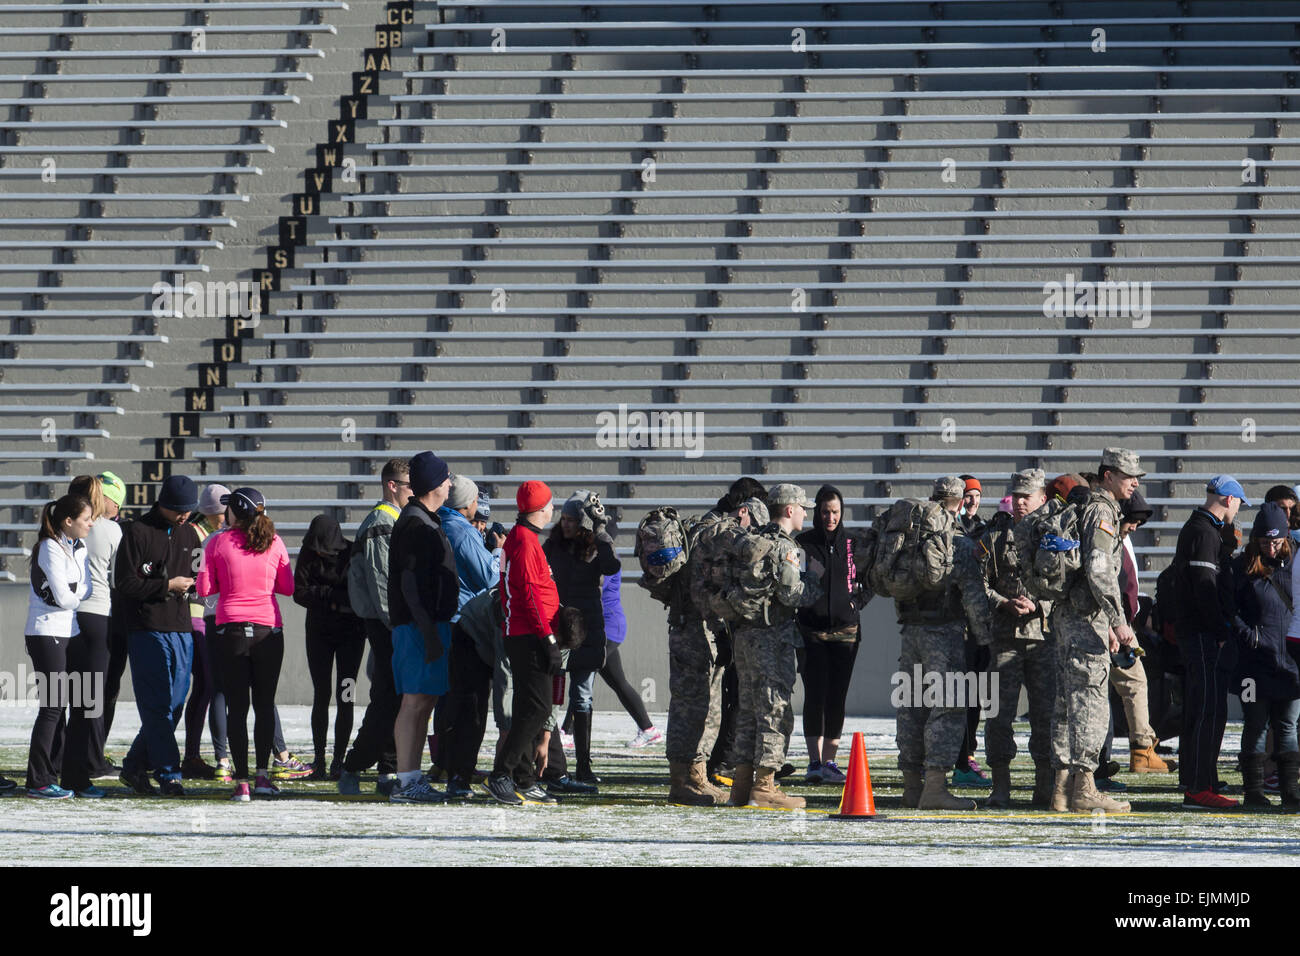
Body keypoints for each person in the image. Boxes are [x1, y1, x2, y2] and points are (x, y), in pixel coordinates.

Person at [893, 476, 994, 811]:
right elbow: (976, 600)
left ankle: (912, 786)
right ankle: (935, 786)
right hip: (946, 634)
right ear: (960, 500)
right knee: (948, 708)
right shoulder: (958, 542)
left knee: (911, 706)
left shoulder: (910, 538)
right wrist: (985, 639)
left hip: (910, 633)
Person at [1049, 449, 1141, 814]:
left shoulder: (1090, 507)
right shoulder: (1102, 511)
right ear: (1107, 476)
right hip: (1086, 618)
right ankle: (1085, 788)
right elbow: (1100, 571)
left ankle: (1060, 789)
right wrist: (1117, 620)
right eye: (1127, 475)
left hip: (1069, 616)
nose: (1134, 482)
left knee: (1065, 703)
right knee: (1089, 700)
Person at [670, 477, 768, 805]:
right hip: (697, 627)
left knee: (700, 702)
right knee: (695, 705)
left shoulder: (704, 526)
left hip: (696, 625)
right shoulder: (719, 532)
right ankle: (685, 780)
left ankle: (693, 776)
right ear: (743, 510)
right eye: (753, 518)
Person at [728, 483, 822, 810]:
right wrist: (816, 585)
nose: (806, 514)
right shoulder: (786, 549)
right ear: (790, 510)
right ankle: (765, 785)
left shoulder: (753, 540)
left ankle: (741, 786)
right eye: (803, 508)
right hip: (773, 637)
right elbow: (791, 594)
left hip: (745, 636)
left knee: (749, 710)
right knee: (775, 709)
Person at [196, 487, 294, 801]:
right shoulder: (275, 541)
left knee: (237, 708)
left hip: (230, 631)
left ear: (234, 511)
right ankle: (263, 777)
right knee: (265, 705)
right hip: (268, 630)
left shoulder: (217, 541)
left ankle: (241, 782)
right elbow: (287, 587)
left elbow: (204, 588)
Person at [115, 474, 201, 797]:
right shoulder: (137, 532)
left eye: (189, 510)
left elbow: (197, 576)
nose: (185, 516)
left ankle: (134, 763)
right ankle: (169, 774)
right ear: (164, 504)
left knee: (175, 705)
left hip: (181, 628)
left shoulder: (191, 535)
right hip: (146, 627)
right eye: (180, 510)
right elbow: (124, 584)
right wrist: (166, 585)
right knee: (156, 706)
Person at [975, 468, 1058, 808]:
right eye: (1017, 495)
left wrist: (1040, 604)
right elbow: (977, 582)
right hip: (1005, 637)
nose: (1022, 502)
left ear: (1043, 498)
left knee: (1046, 715)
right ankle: (1001, 786)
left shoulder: (1054, 536)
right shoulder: (995, 537)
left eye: (1028, 496)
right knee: (999, 715)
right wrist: (1002, 602)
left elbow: (1067, 585)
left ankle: (1045, 786)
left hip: (1043, 639)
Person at [1172, 474, 1249, 810]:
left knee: (1200, 709)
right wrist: (1220, 632)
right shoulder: (1205, 532)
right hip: (1203, 635)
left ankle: (1196, 779)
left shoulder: (1197, 528)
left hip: (1194, 632)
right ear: (1229, 500)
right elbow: (1205, 586)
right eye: (1237, 504)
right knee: (1209, 710)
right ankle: (1200, 786)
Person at [486, 480, 564, 806]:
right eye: (550, 505)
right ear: (542, 509)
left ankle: (523, 775)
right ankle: (502, 774)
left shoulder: (521, 538)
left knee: (524, 708)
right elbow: (529, 594)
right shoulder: (526, 541)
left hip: (523, 633)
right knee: (538, 707)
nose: (552, 510)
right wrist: (546, 637)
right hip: (528, 634)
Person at [386, 451, 458, 803]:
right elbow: (410, 584)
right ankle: (407, 780)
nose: (450, 483)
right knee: (414, 702)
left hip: (425, 625)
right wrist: (428, 631)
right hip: (418, 627)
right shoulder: (415, 523)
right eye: (445, 478)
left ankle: (411, 777)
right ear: (433, 484)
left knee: (423, 701)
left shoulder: (423, 518)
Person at [339, 458, 411, 796]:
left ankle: (387, 771)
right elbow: (383, 584)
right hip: (386, 624)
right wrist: (397, 626)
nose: (416, 493)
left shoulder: (393, 519)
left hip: (390, 623)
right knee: (389, 700)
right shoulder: (383, 521)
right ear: (392, 485)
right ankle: (355, 765)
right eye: (410, 486)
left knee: (395, 699)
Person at [545, 490, 621, 787]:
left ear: (582, 523)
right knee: (552, 700)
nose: (565, 524)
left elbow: (612, 567)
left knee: (582, 696)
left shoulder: (593, 546)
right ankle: (551, 763)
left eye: (572, 519)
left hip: (587, 626)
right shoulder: (552, 545)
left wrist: (601, 532)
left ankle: (584, 766)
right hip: (560, 626)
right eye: (563, 519)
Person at [433, 474, 501, 795]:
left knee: (446, 698)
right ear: (468, 503)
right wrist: (497, 552)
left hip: (441, 619)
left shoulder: (438, 524)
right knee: (470, 702)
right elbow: (490, 577)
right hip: (466, 623)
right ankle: (459, 769)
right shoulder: (461, 530)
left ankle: (444, 760)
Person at [23, 493, 94, 798]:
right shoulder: (49, 548)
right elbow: (65, 598)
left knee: (78, 702)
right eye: (86, 519)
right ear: (69, 521)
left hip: (70, 629)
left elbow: (86, 588)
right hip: (45, 632)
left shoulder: (79, 547)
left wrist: (71, 592)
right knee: (52, 707)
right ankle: (38, 780)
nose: (91, 524)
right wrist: (72, 593)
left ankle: (62, 774)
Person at [1231, 502, 1299, 809]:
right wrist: (1250, 636)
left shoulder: (1296, 562)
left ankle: (1290, 790)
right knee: (1255, 724)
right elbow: (1229, 611)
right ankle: (1254, 791)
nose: (1271, 547)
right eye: (1264, 541)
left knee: (1286, 725)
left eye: (1276, 541)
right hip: (1254, 663)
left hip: (1289, 663)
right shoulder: (1242, 566)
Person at [795, 484, 864, 785]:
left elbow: (869, 578)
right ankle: (813, 761)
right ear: (817, 513)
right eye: (825, 512)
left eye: (835, 512)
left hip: (846, 632)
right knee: (814, 695)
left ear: (842, 512)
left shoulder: (853, 542)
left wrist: (856, 601)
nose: (830, 517)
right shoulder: (803, 543)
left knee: (837, 696)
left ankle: (830, 761)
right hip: (811, 632)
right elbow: (794, 583)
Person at [294, 515, 366, 780]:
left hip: (351, 635)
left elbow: (357, 593)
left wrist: (323, 595)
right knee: (321, 695)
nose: (320, 551)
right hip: (319, 634)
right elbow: (299, 592)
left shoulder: (350, 553)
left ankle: (339, 759)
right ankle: (319, 759)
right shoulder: (308, 553)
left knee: (346, 696)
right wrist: (332, 598)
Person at [65, 475, 121, 790]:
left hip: (66, 617)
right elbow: (118, 578)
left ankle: (57, 764)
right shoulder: (109, 529)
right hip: (98, 613)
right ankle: (88, 762)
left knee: (63, 697)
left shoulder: (60, 528)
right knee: (90, 699)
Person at [1112, 492, 1174, 775]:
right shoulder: (1109, 536)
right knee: (1133, 684)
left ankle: (1143, 747)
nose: (1135, 526)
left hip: (1123, 622)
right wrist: (1117, 623)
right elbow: (1111, 584)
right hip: (1116, 625)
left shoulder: (1119, 536)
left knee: (1134, 685)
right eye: (1133, 520)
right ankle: (1141, 749)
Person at [599, 533, 663, 749]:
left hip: (608, 627)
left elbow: (595, 588)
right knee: (618, 682)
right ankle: (648, 729)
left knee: (584, 673)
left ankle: (566, 731)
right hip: (606, 626)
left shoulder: (607, 561)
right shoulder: (603, 558)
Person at [183, 483, 229, 780]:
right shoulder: (200, 536)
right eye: (223, 513)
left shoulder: (200, 532)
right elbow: (196, 581)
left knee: (202, 688)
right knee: (208, 688)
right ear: (213, 513)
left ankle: (191, 754)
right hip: (199, 616)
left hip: (198, 614)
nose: (227, 517)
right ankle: (193, 755)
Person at [96, 471, 129, 775]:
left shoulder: (116, 529)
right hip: (100, 619)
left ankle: (91, 751)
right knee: (96, 691)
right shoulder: (101, 528)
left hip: (108, 619)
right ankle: (89, 755)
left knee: (103, 690)